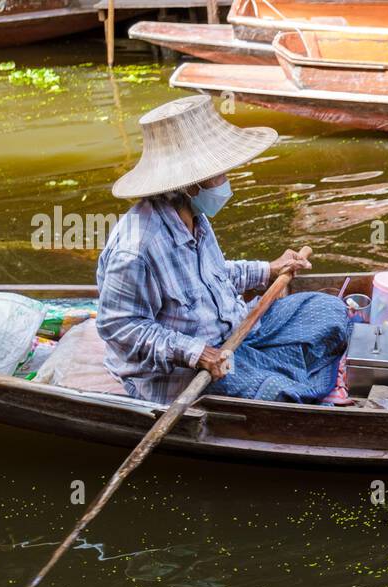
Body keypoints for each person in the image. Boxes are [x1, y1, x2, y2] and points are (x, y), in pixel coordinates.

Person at [96, 95, 349, 404]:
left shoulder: (194, 216)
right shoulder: (136, 248)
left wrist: (269, 269)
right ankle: (282, 374)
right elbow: (119, 327)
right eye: (219, 174)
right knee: (274, 392)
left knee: (330, 311)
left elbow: (213, 276)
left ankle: (278, 366)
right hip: (187, 371)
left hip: (240, 331)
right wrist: (196, 353)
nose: (226, 182)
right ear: (191, 185)